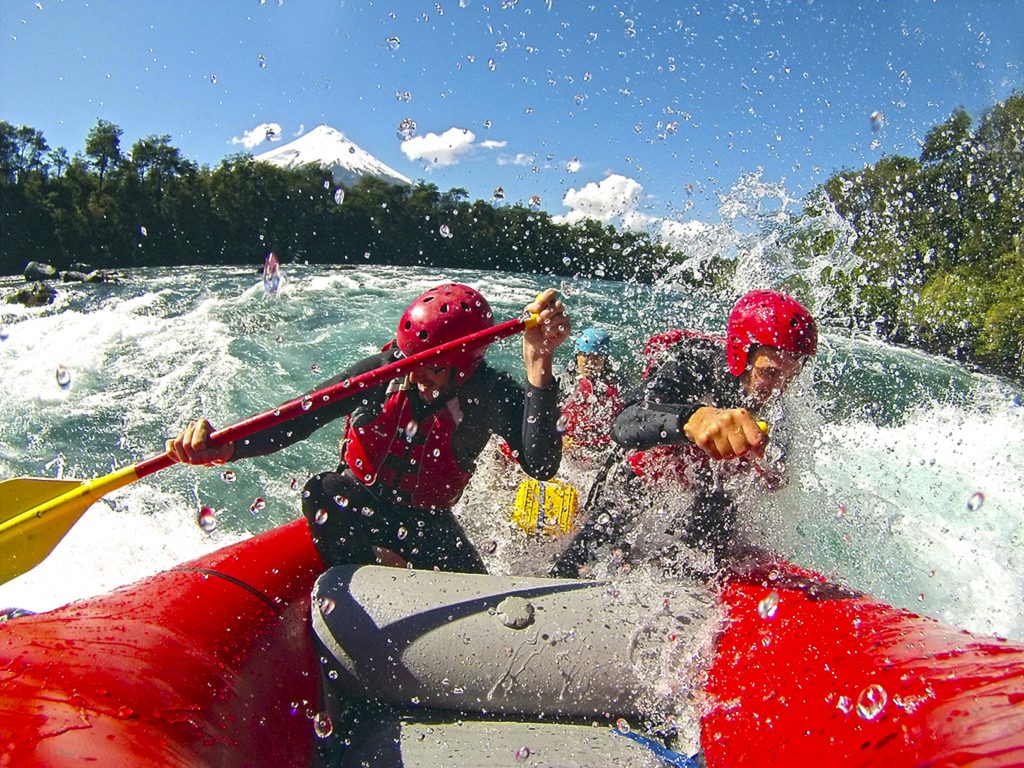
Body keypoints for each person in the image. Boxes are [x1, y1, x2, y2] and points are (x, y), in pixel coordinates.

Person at [168, 283, 571, 574]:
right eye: (410, 361)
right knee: (322, 490)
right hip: (358, 505)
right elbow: (299, 417)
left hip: (427, 522)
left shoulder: (490, 393)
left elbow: (541, 465)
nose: (416, 376)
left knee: (481, 609)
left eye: (431, 368)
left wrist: (539, 363)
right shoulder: (382, 372)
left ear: (465, 367)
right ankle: (361, 594)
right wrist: (228, 446)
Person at [551, 289, 817, 579]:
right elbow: (625, 423)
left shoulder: (776, 402)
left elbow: (778, 465)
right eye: (770, 373)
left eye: (790, 377)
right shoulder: (693, 361)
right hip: (647, 470)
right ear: (743, 355)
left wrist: (773, 471)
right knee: (579, 560)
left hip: (706, 484)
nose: (778, 389)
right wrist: (694, 418)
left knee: (713, 532)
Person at [559, 327, 623, 456]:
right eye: (585, 355)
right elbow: (551, 414)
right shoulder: (566, 383)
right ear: (577, 356)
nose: (590, 361)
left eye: (596, 357)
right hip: (570, 441)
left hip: (600, 444)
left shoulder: (615, 386)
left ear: (605, 359)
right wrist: (560, 436)